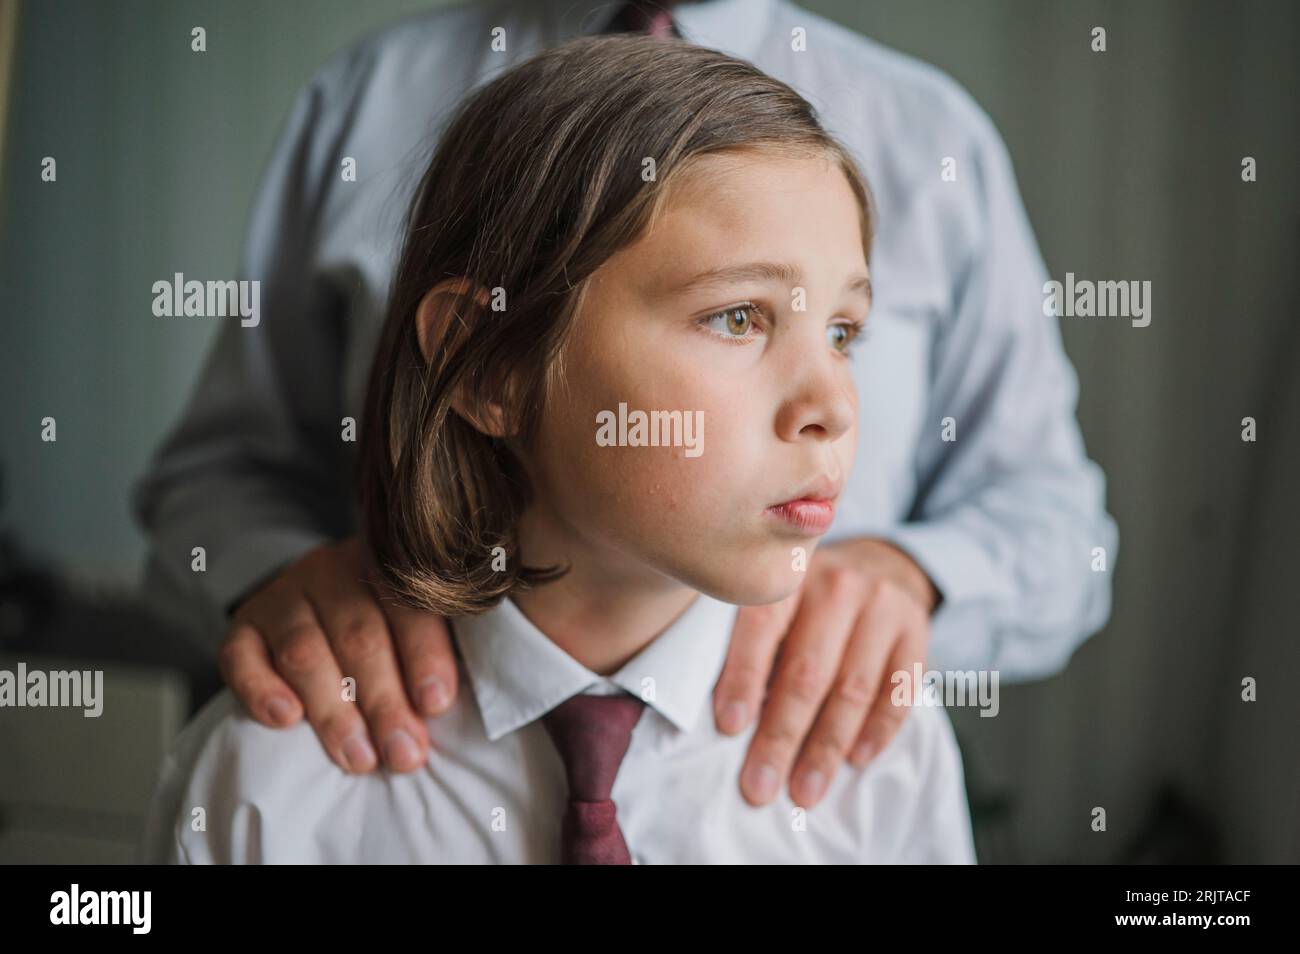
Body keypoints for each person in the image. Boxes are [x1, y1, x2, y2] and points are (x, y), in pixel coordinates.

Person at [131, 0, 1117, 810]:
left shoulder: (932, 135)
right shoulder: (360, 102)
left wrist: (915, 576)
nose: (831, 404)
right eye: (736, 316)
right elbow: (217, 474)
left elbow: (1061, 529)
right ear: (480, 366)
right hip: (391, 746)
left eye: (849, 333)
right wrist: (274, 572)